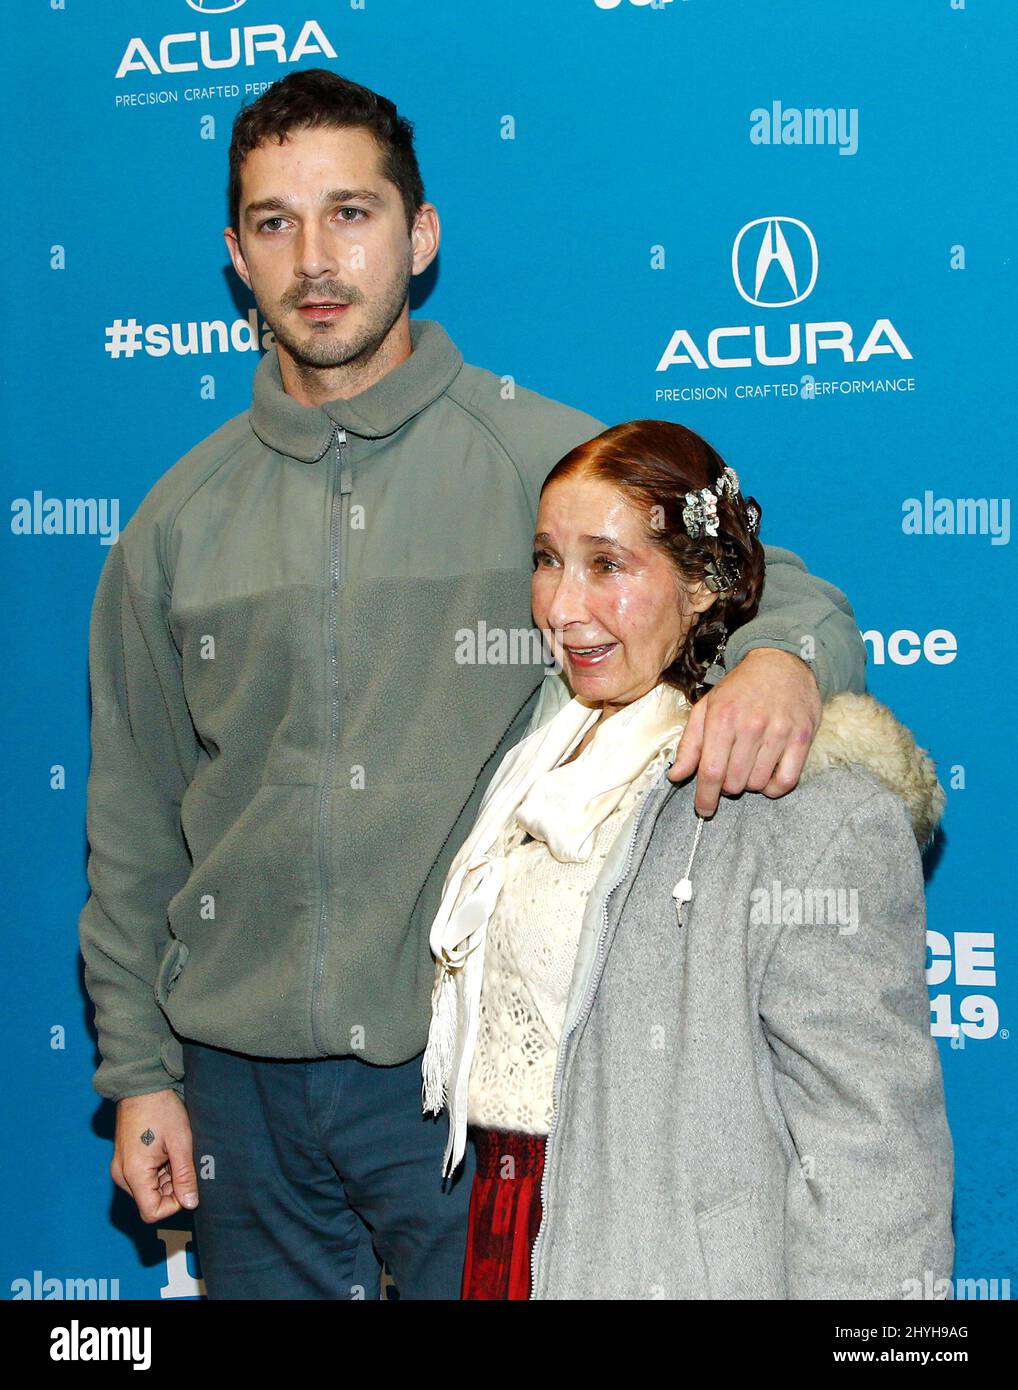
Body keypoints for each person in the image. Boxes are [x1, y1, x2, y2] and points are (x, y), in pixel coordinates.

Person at [77, 70, 867, 1300]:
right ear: (236, 257)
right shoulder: (172, 526)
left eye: (351, 213)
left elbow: (772, 584)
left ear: (421, 232)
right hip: (234, 1087)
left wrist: (778, 662)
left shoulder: (537, 457)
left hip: (465, 1090)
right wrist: (139, 1075)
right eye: (276, 224)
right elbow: (132, 827)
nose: (315, 258)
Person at [424, 419, 954, 1300]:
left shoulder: (804, 807)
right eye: (548, 559)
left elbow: (873, 1149)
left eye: (608, 564)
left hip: (665, 1261)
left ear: (706, 585)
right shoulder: (536, 751)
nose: (561, 606)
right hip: (507, 1235)